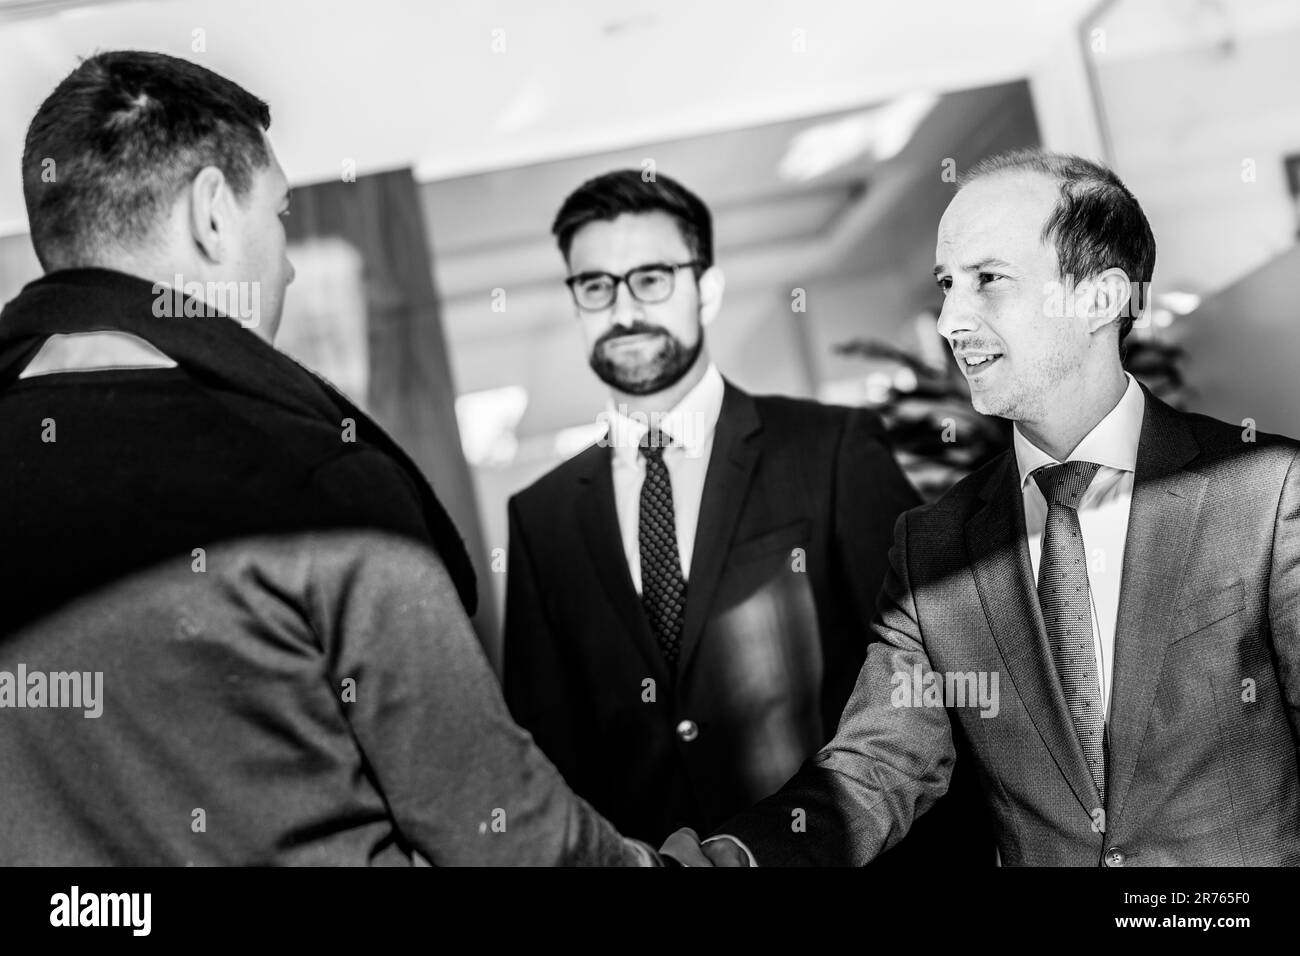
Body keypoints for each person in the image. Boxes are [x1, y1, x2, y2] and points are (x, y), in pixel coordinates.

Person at [0, 50, 656, 866]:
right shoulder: (317, 482)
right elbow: (508, 837)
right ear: (212, 214)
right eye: (278, 215)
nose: (287, 264)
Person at [663, 149, 1300, 867]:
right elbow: (877, 767)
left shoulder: (1268, 491)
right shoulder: (933, 547)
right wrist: (733, 858)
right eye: (946, 285)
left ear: (1101, 299)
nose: (949, 321)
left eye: (988, 280)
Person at [503, 169, 990, 861]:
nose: (623, 309)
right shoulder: (540, 518)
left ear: (706, 288)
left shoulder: (830, 449)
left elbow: (927, 679)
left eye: (651, 278)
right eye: (596, 285)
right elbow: (548, 757)